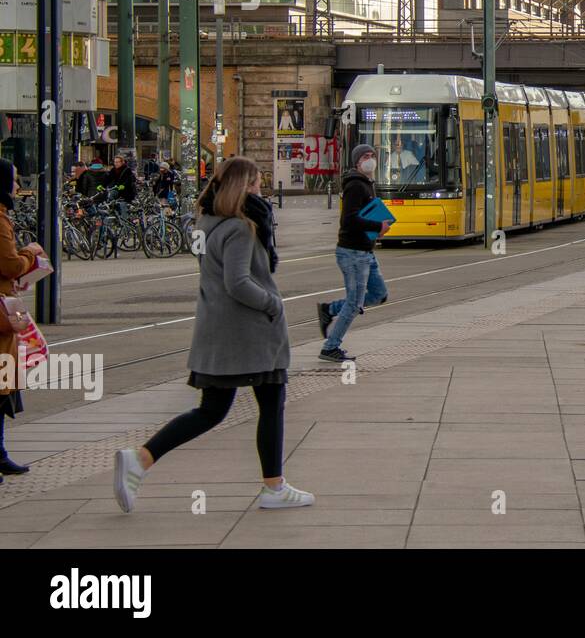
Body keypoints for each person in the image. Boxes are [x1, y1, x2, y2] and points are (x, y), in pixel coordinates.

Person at [112, 157, 313, 512]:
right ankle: (274, 487)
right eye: (255, 184)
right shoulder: (239, 227)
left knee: (211, 410)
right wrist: (272, 304)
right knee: (270, 405)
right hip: (248, 334)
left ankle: (141, 459)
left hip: (218, 330)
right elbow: (238, 282)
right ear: (243, 186)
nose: (260, 190)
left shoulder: (205, 223)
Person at [316, 144, 390, 363]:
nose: (370, 159)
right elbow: (348, 219)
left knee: (378, 294)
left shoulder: (367, 184)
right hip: (353, 252)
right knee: (354, 303)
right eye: (366, 156)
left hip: (365, 251)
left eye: (372, 156)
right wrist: (377, 227)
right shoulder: (356, 186)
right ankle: (330, 347)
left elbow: (362, 216)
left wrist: (377, 230)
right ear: (357, 161)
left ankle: (329, 309)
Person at [0, 158, 42, 483]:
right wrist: (31, 253)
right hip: (1, 314)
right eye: (13, 180)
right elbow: (10, 264)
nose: (16, 186)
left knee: (4, 385)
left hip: (4, 306)